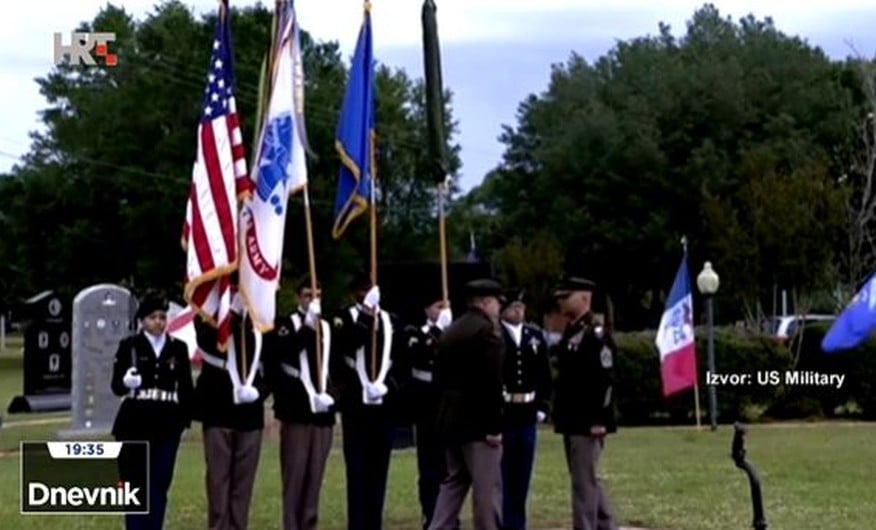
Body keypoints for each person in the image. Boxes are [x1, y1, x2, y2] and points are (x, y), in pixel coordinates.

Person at [111, 293, 194, 530]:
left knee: (159, 484)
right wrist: (126, 381)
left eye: (162, 317)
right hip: (135, 419)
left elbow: (186, 388)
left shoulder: (178, 348)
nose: (158, 322)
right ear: (142, 320)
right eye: (153, 317)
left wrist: (183, 422)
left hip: (167, 421)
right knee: (135, 485)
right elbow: (116, 386)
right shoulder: (130, 346)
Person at [331, 273, 406, 530]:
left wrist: (390, 386)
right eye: (363, 290)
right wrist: (364, 314)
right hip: (356, 405)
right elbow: (346, 346)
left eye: (371, 290)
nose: (368, 294)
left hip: (383, 405)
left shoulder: (391, 320)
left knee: (379, 471)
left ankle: (374, 523)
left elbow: (400, 358)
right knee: (358, 470)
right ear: (355, 294)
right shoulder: (343, 319)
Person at [429, 278, 506, 530]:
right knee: (486, 489)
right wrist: (494, 426)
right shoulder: (487, 331)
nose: (498, 309)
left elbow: (439, 379)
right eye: (496, 303)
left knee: (454, 483)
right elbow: (491, 382)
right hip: (478, 424)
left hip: (451, 421)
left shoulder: (452, 330)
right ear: (486, 302)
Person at [193, 291, 269, 530]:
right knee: (218, 481)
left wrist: (260, 390)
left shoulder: (261, 316)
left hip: (250, 412)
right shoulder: (208, 311)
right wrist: (233, 313)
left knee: (243, 484)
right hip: (218, 407)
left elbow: (273, 361)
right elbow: (208, 342)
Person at [268, 278, 337, 530]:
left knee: (315, 477)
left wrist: (333, 396)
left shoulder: (328, 328)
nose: (312, 300)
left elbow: (336, 367)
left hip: (323, 413)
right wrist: (308, 327)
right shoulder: (285, 325)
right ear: (298, 298)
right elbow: (284, 354)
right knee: (295, 477)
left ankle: (310, 524)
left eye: (317, 295)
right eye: (308, 295)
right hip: (296, 412)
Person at [551, 275, 618, 530]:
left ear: (583, 298)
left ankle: (586, 526)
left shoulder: (595, 334)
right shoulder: (573, 331)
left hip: (588, 421)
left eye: (565, 297)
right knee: (586, 478)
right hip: (572, 419)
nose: (561, 302)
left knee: (583, 483)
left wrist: (600, 419)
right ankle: (606, 523)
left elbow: (605, 380)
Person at [498, 289, 552, 530]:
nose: (518, 311)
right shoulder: (496, 336)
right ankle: (505, 520)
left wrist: (542, 405)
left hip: (528, 409)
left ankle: (518, 522)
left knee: (523, 472)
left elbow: (544, 373)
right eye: (513, 307)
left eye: (521, 306)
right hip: (505, 411)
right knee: (504, 473)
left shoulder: (534, 336)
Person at [403, 285, 453, 529]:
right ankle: (430, 514)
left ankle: (449, 517)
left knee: (450, 467)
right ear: (427, 309)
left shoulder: (455, 333)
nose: (443, 310)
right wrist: (437, 330)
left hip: (450, 407)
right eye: (438, 306)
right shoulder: (416, 333)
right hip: (426, 408)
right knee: (429, 467)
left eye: (445, 306)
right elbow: (417, 354)